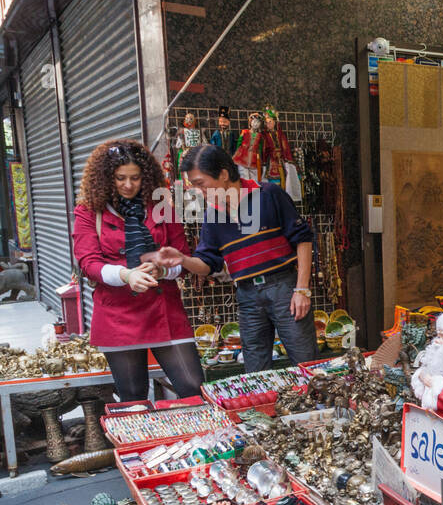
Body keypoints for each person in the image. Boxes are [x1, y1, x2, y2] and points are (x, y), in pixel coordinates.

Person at [157, 144, 317, 371]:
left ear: (223, 174)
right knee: (255, 369)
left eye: (201, 184)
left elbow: (303, 238)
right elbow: (207, 264)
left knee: (305, 362)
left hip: (284, 287)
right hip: (247, 295)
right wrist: (182, 259)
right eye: (194, 186)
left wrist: (302, 289)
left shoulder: (269, 194)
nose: (198, 191)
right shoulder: (212, 216)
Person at [71, 140, 203, 402]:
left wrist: (163, 271)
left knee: (193, 386)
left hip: (164, 308)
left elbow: (182, 257)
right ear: (107, 178)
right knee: (133, 396)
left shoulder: (162, 206)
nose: (128, 185)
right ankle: (145, 444)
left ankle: (194, 441)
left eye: (135, 178)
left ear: (146, 177)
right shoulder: (88, 211)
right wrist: (126, 275)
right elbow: (89, 263)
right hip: (118, 314)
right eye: (120, 178)